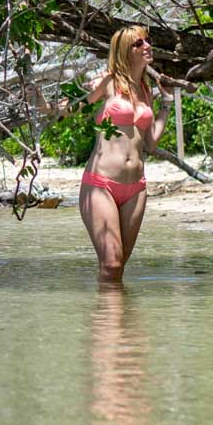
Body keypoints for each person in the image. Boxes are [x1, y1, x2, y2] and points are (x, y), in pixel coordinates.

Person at [79, 26, 164, 285]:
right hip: (101, 184)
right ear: (124, 51)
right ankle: (109, 324)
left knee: (118, 269)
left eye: (147, 40)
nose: (146, 45)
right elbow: (75, 105)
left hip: (136, 188)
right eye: (138, 43)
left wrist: (166, 106)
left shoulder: (145, 90)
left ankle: (118, 324)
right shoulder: (108, 82)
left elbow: (149, 143)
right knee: (111, 265)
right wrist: (48, 106)